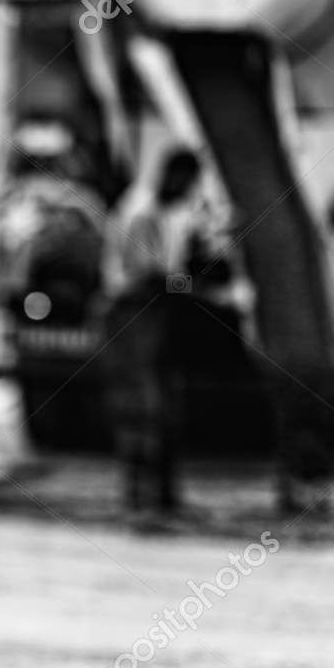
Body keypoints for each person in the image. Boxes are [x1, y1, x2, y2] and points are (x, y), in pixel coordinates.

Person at [101, 146, 205, 516]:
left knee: (163, 401)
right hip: (134, 311)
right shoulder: (142, 211)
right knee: (142, 402)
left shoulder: (169, 212)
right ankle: (140, 493)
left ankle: (161, 494)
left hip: (155, 312)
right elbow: (146, 271)